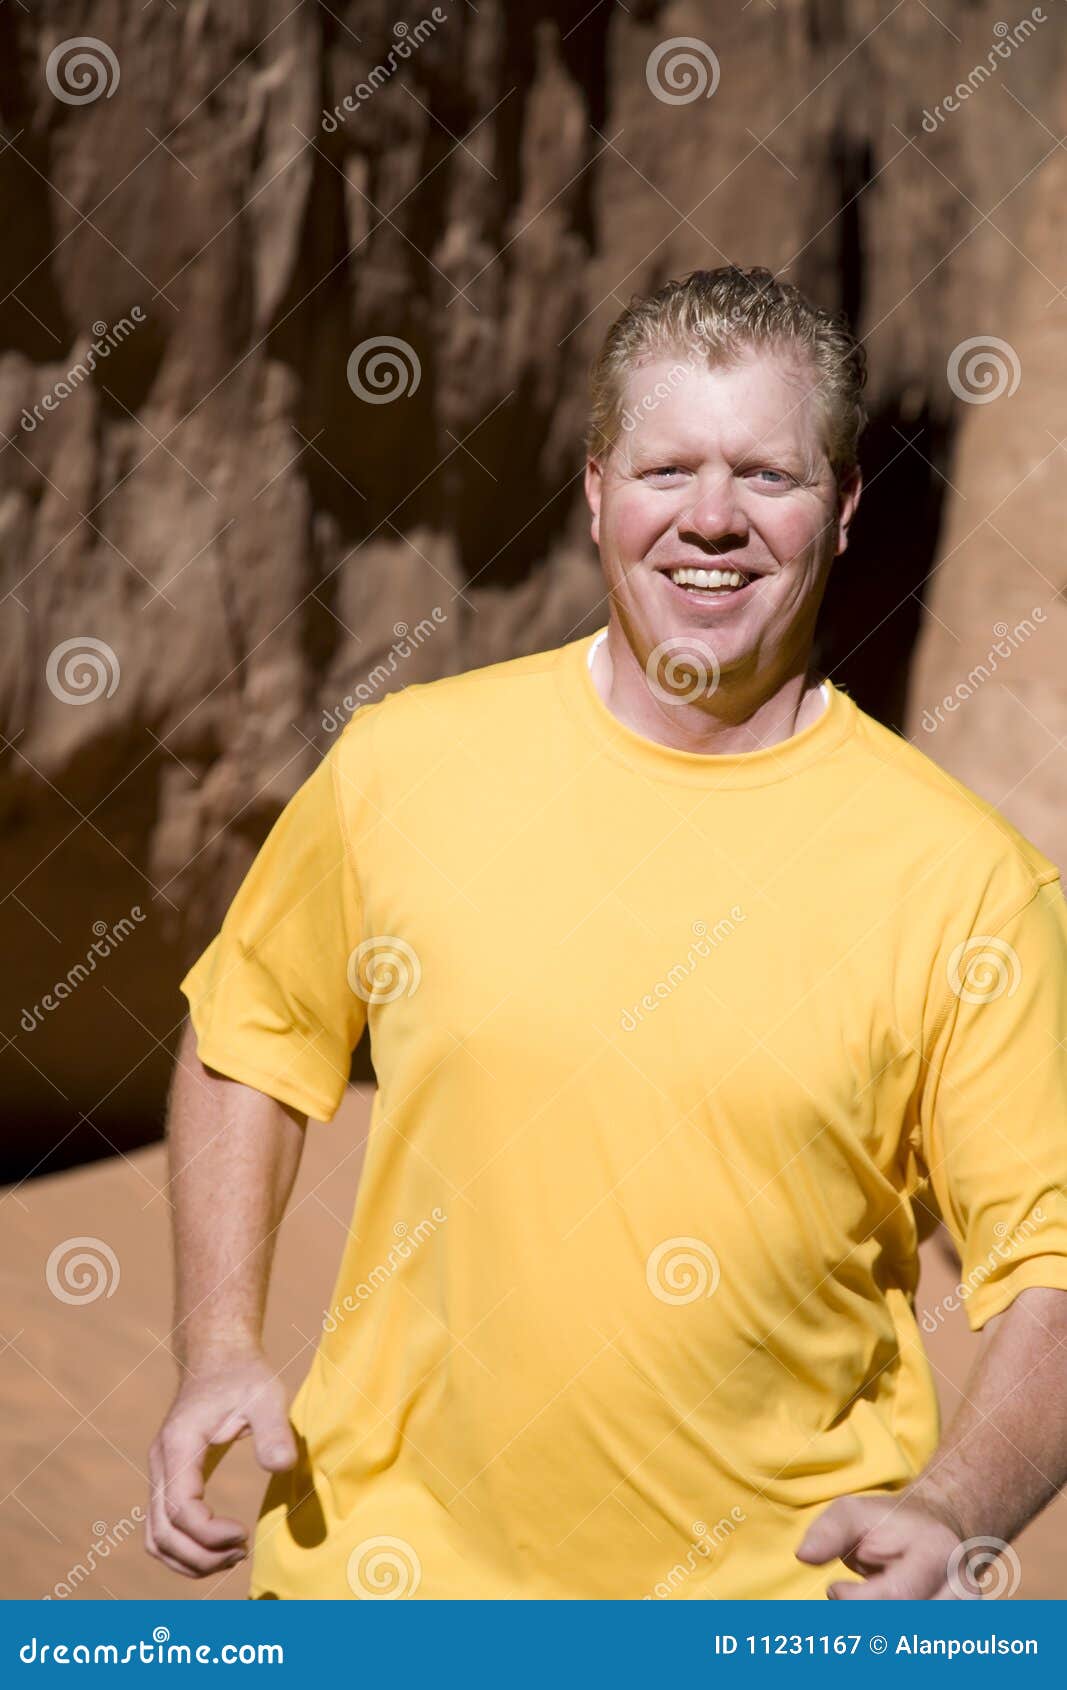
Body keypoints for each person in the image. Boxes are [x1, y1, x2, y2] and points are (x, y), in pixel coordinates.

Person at [148, 266, 1067, 1600]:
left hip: (772, 1619)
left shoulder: (969, 883)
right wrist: (217, 1340)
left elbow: (1052, 1263)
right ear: (595, 493)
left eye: (768, 474)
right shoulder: (407, 768)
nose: (712, 518)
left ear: (846, 507)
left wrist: (956, 1502)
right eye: (668, 469)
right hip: (390, 1595)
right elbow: (249, 1041)